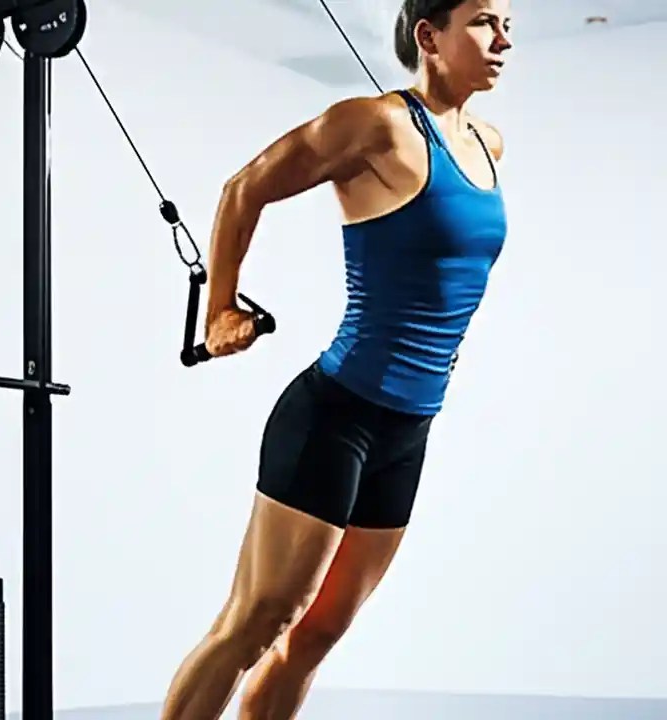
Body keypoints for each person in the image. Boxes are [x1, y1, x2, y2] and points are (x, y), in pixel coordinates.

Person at [158, 1, 513, 718]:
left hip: (407, 431)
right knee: (257, 623)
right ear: (429, 36)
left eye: (508, 25)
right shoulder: (376, 125)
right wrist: (219, 308)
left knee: (316, 634)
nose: (503, 39)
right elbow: (244, 188)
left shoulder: (487, 145)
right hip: (335, 417)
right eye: (483, 22)